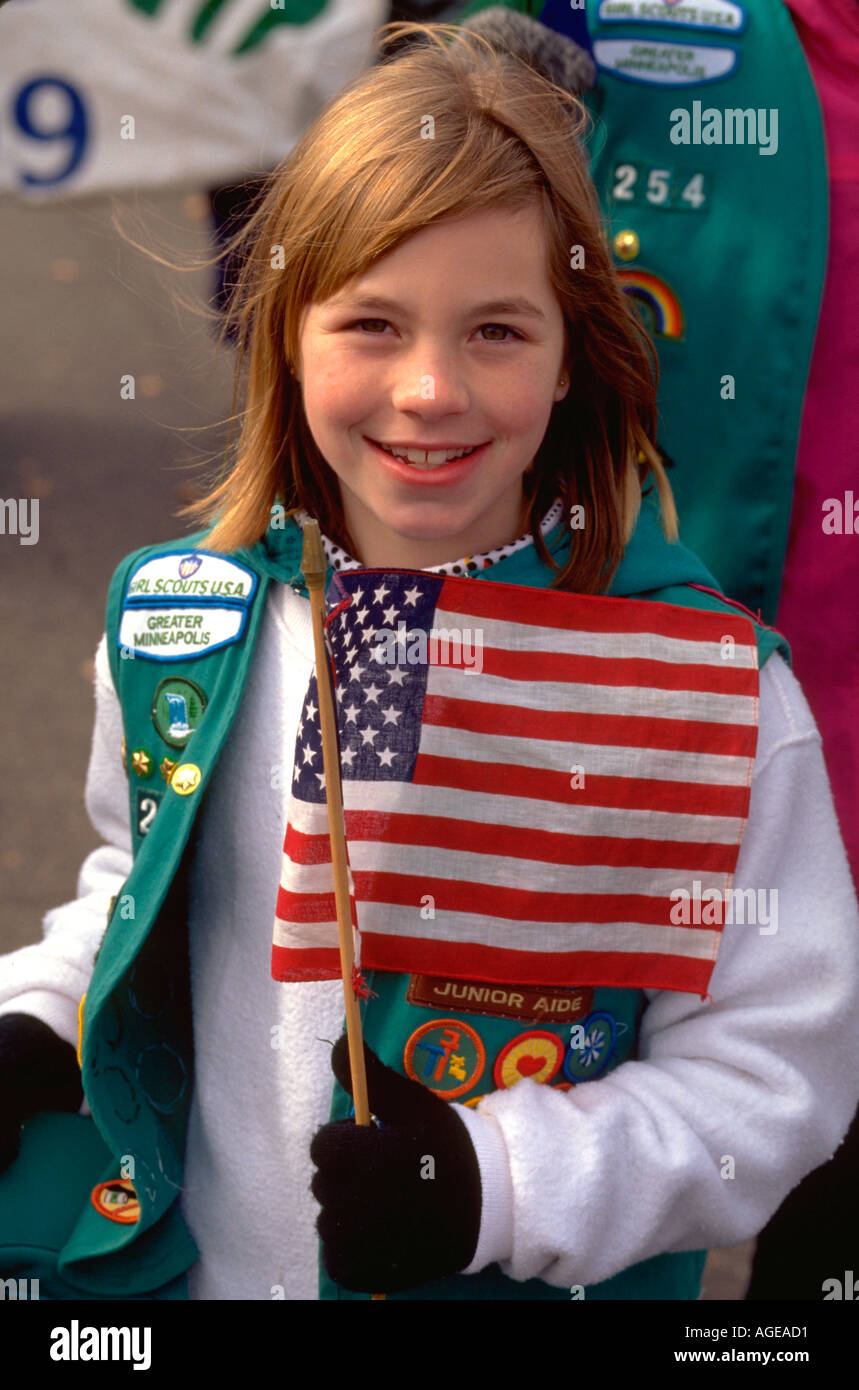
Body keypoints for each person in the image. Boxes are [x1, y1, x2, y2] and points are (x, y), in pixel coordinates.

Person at [0, 21, 857, 1302]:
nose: (428, 390)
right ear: (284, 341)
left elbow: (774, 1077)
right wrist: (46, 1012)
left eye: (498, 332)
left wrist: (495, 1181)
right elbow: (144, 885)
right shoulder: (182, 618)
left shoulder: (715, 695)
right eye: (372, 324)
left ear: (578, 354)